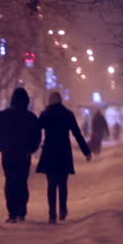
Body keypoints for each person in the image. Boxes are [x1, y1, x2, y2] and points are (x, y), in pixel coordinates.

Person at [37, 92, 92, 224]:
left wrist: (30, 147)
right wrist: (86, 151)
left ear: (51, 100)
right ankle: (63, 210)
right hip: (63, 153)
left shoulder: (46, 114)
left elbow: (36, 129)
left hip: (50, 152)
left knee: (51, 184)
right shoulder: (68, 114)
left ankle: (52, 214)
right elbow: (77, 134)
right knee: (63, 183)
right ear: (60, 100)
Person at [0, 87, 41, 223]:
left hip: (8, 154)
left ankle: (12, 212)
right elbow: (37, 137)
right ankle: (21, 210)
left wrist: (1, 147)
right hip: (24, 155)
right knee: (22, 181)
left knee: (10, 181)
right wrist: (30, 149)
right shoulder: (31, 118)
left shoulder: (2, 116)